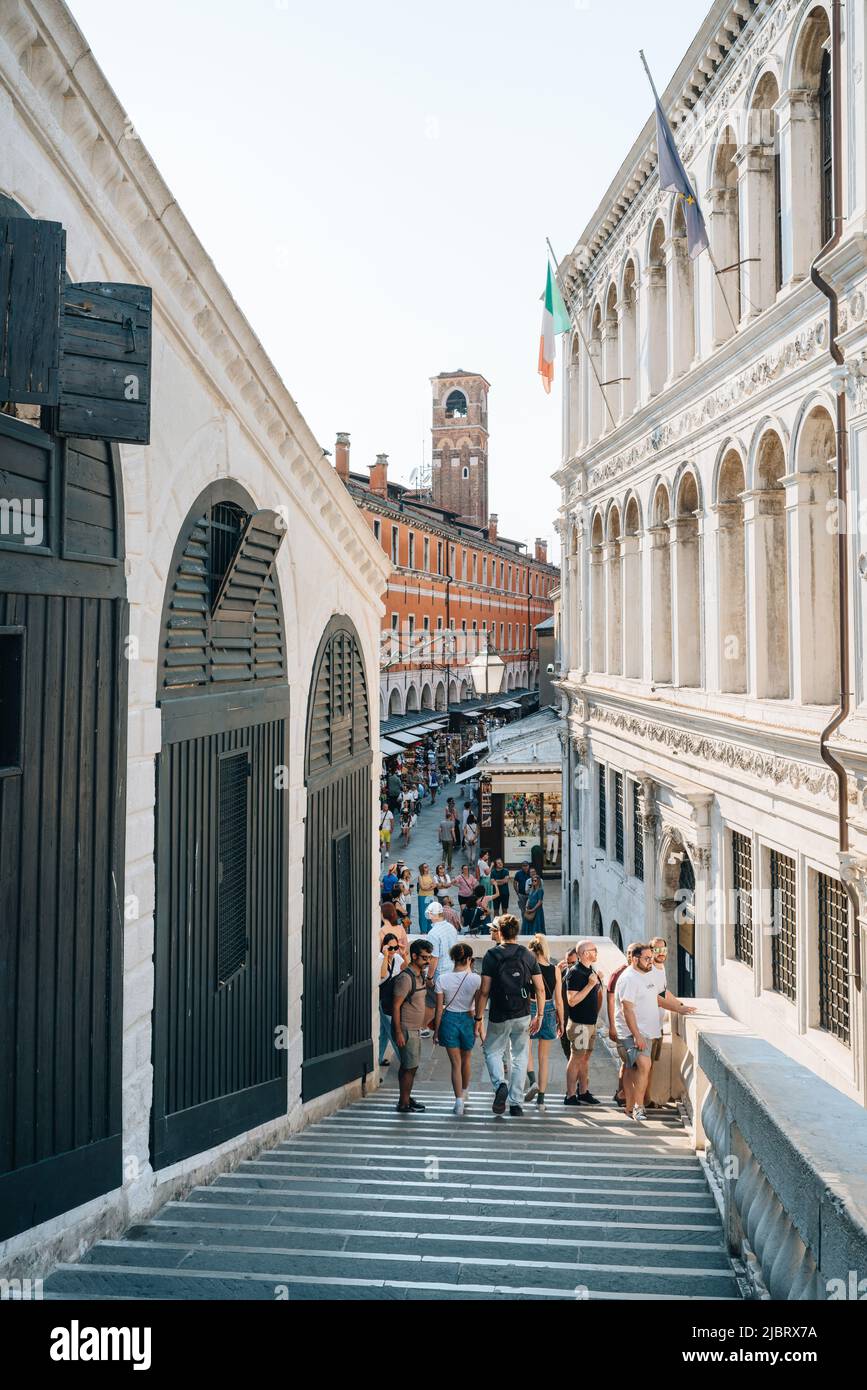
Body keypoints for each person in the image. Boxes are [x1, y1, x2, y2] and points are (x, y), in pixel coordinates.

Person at [475, 914, 545, 1116]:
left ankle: (500, 1085)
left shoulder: (491, 955)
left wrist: (479, 1018)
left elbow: (484, 990)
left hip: (499, 1013)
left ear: (501, 932)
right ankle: (516, 1103)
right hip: (522, 1012)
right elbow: (540, 989)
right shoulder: (527, 955)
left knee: (492, 1051)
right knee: (520, 1056)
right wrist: (539, 1015)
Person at [646, 936, 697, 1107]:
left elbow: (664, 992)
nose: (661, 953)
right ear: (651, 951)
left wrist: (679, 1004)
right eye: (657, 950)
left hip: (657, 1024)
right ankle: (632, 1099)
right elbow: (656, 997)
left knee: (650, 1065)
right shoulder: (651, 970)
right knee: (643, 1066)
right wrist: (678, 1009)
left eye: (663, 949)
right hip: (647, 1025)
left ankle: (646, 1099)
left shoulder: (660, 968)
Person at [434, 942, 480, 1116]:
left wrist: (437, 1032)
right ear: (469, 959)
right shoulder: (476, 979)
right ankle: (465, 1091)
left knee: (455, 1064)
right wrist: (479, 1025)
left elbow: (439, 1010)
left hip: (449, 1019)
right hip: (468, 1018)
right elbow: (479, 1005)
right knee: (466, 1059)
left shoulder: (442, 979)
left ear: (452, 959)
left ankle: (458, 1101)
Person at [390, 939, 434, 1113]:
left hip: (415, 1029)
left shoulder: (419, 975)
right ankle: (403, 1103)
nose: (427, 961)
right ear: (414, 956)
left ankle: (406, 1097)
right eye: (424, 957)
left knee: (410, 1066)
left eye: (429, 957)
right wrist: (399, 1032)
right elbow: (395, 1005)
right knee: (410, 1067)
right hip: (407, 1029)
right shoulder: (406, 978)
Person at [524, 934, 563, 1107]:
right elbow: (559, 1000)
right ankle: (541, 1099)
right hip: (548, 1009)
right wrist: (561, 1021)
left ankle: (532, 1080)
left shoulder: (528, 966)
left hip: (530, 1008)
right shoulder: (555, 969)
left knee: (526, 1050)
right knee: (544, 1057)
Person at [564, 941, 604, 1105]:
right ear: (585, 953)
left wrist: (597, 981)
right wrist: (590, 984)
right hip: (580, 1024)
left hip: (590, 1023)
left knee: (584, 1059)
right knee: (576, 1058)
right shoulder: (575, 972)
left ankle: (583, 1092)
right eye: (594, 950)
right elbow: (572, 1001)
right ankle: (570, 1095)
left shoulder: (589, 969)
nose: (596, 952)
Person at [607, 942, 640, 1104]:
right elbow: (611, 1000)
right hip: (623, 1028)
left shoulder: (640, 973)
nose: (629, 955)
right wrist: (612, 1026)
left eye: (632, 953)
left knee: (627, 1064)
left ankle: (622, 1093)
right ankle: (623, 1095)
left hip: (636, 1028)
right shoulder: (619, 974)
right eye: (627, 952)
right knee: (629, 1064)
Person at [378, 933, 403, 1066]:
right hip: (382, 1000)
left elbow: (405, 969)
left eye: (396, 947)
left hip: (391, 998)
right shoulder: (380, 957)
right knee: (392, 1030)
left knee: (384, 1031)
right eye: (391, 948)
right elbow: (382, 975)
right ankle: (404, 1062)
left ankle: (378, 1058)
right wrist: (386, 955)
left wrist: (404, 953)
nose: (393, 950)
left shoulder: (397, 957)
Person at [556, 947, 578, 1061]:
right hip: (564, 1018)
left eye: (573, 963)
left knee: (579, 1055)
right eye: (567, 962)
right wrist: (557, 973)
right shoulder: (562, 972)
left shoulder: (587, 974)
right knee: (567, 1050)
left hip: (579, 1020)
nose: (570, 965)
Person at [522, 867, 545, 935]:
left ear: (538, 881)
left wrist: (533, 909)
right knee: (528, 920)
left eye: (535, 880)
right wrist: (526, 906)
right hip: (530, 908)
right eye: (532, 880)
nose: (533, 882)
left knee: (536, 923)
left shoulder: (540, 890)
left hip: (537, 909)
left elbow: (540, 901)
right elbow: (529, 898)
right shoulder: (532, 889)